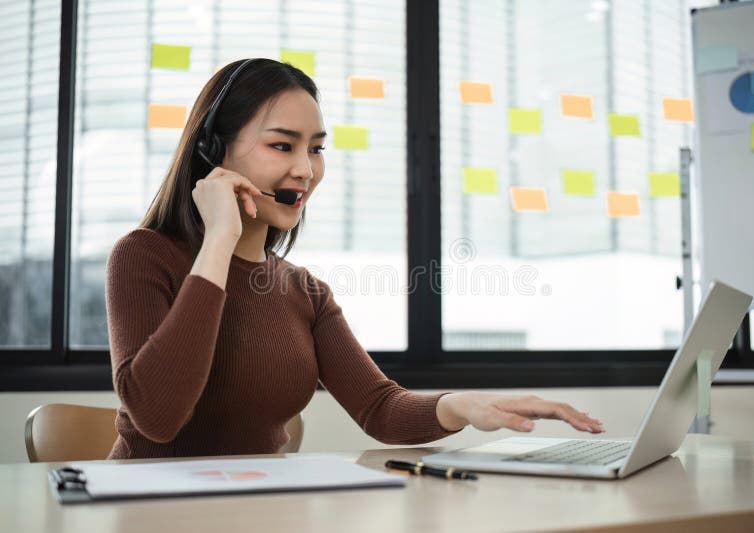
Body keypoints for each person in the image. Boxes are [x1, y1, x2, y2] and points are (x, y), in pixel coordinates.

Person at [104, 58, 603, 460]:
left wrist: (466, 406)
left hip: (260, 512)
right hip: (151, 510)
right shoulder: (143, 256)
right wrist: (218, 243)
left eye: (316, 149)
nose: (306, 170)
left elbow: (379, 407)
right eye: (282, 145)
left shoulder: (305, 292)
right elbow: (158, 416)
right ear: (214, 151)